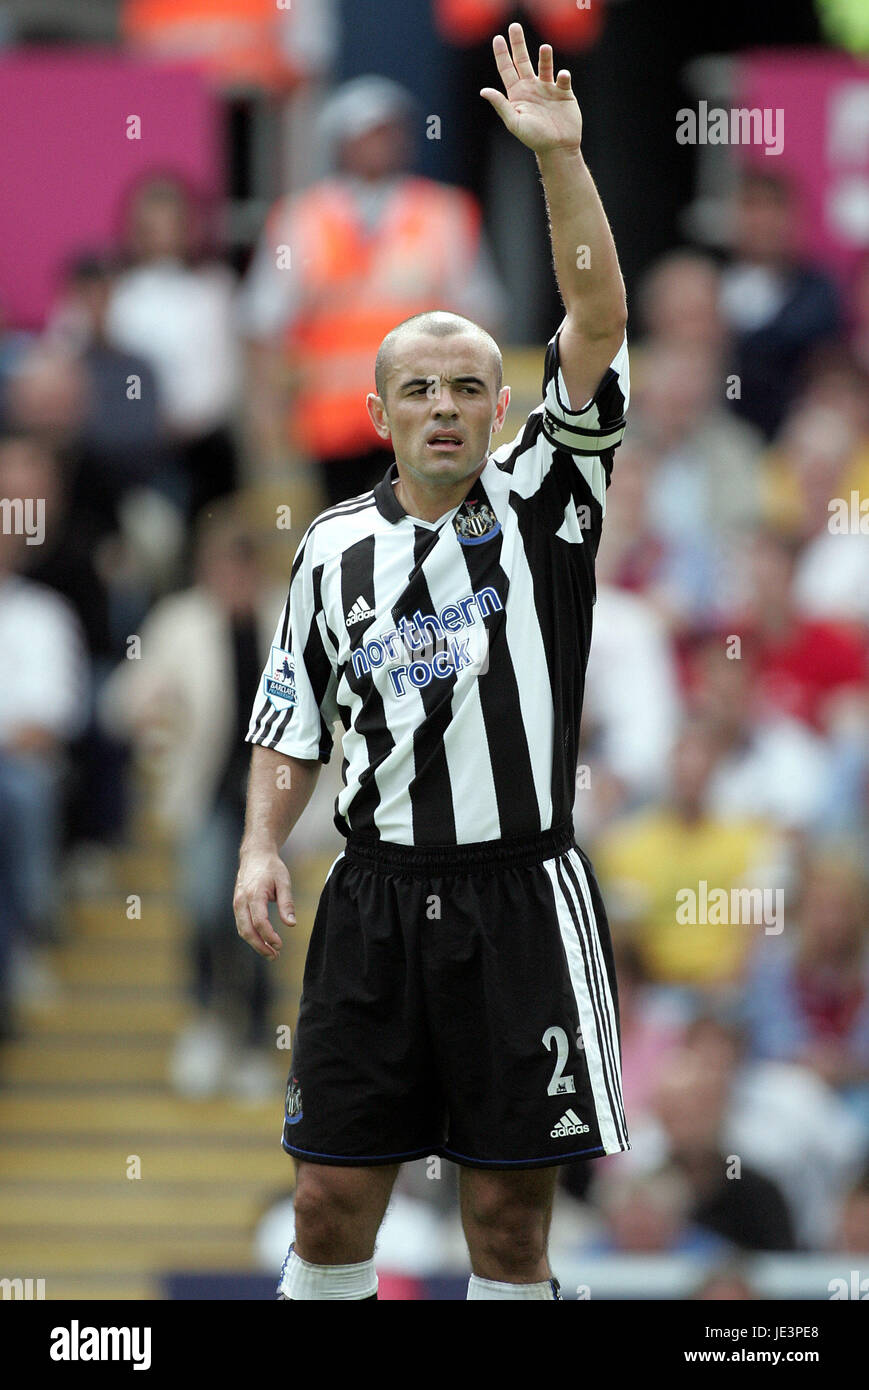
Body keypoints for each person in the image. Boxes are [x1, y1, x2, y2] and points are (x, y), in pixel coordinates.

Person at [233, 24, 630, 1301]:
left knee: (510, 1228)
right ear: (379, 414)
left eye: (470, 384)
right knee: (325, 1199)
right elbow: (291, 718)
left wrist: (557, 158)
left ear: (503, 405)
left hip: (520, 896)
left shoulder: (547, 494)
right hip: (371, 901)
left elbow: (596, 312)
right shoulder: (330, 552)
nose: (449, 405)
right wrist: (255, 844)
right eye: (421, 390)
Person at [237, 74, 506, 508]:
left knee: (425, 529)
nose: (377, 144)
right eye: (366, 133)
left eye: (387, 131)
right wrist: (266, 410)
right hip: (333, 422)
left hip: (425, 410)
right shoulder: (300, 219)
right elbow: (263, 323)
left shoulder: (445, 214)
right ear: (341, 142)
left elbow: (482, 315)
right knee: (349, 537)